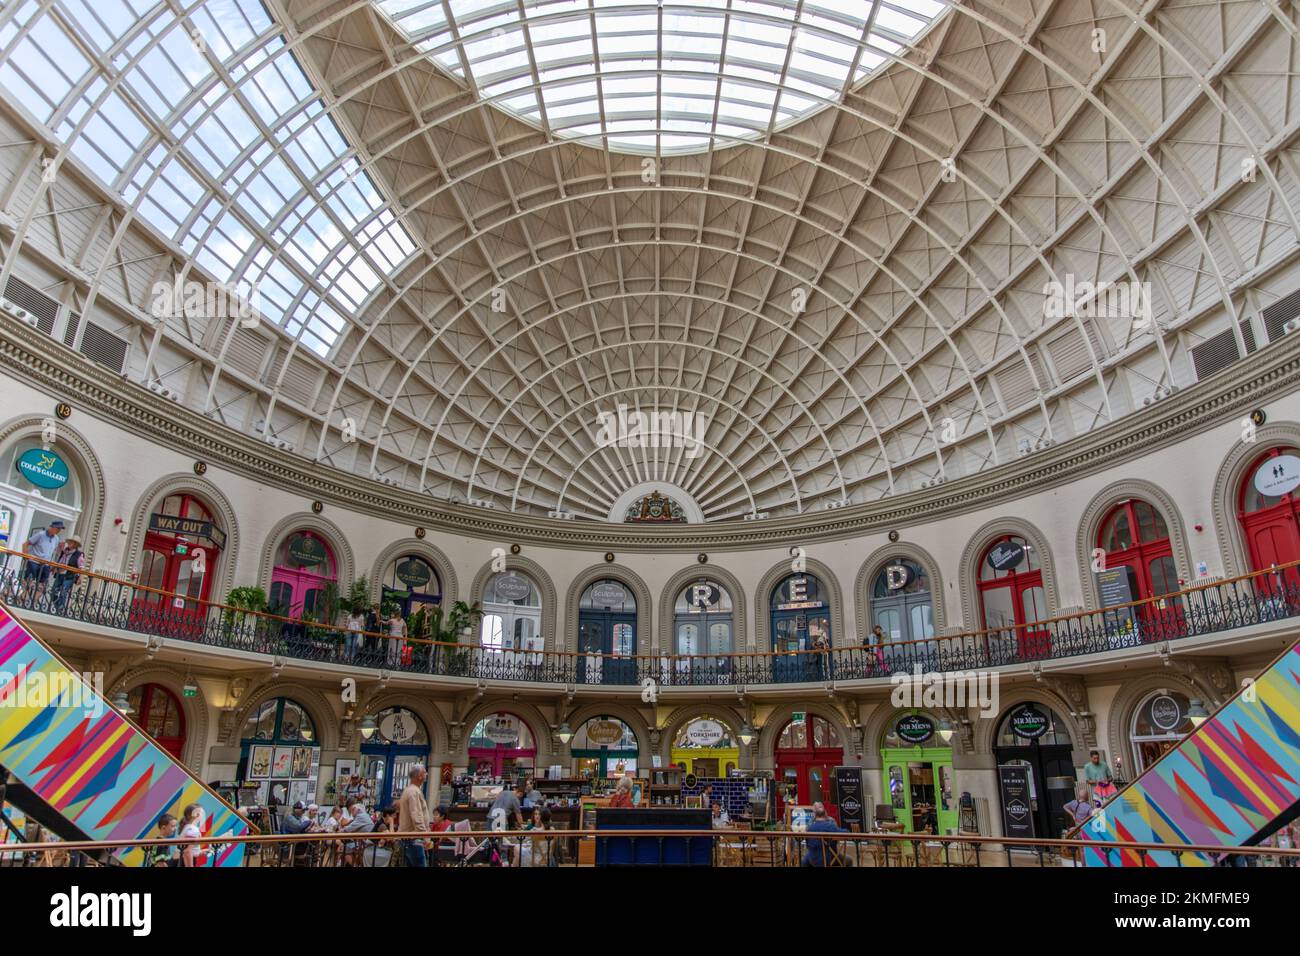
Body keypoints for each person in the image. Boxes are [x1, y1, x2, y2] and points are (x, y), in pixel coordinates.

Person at [20, 519, 63, 602]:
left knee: (42, 583)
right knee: (29, 580)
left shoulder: (56, 538)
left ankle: (34, 601)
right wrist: (25, 556)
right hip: (34, 561)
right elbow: (25, 544)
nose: (58, 531)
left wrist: (53, 564)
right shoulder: (40, 534)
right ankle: (23, 597)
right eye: (57, 528)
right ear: (52, 527)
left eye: (59, 529)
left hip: (46, 564)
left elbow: (53, 552)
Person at [397, 764, 431, 867]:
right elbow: (417, 816)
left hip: (409, 839)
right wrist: (425, 837)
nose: (426, 774)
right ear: (419, 775)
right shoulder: (413, 792)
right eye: (425, 772)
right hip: (414, 839)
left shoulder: (410, 790)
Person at [800, 802, 844, 867]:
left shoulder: (829, 821)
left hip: (826, 853)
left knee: (805, 861)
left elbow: (806, 838)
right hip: (825, 854)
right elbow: (842, 834)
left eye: (821, 807)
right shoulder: (811, 822)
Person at [51, 535, 85, 612]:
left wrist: (80, 578)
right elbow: (59, 561)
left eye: (71, 542)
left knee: (63, 591)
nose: (69, 543)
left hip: (69, 576)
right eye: (69, 541)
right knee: (53, 591)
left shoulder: (79, 555)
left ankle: (60, 609)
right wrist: (54, 568)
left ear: (75, 544)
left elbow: (81, 567)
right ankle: (57, 607)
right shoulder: (64, 552)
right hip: (60, 574)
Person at [341, 799, 373, 866]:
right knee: (350, 848)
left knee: (343, 850)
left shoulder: (360, 816)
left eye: (353, 810)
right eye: (351, 810)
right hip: (367, 842)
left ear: (357, 810)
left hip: (367, 843)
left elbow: (347, 829)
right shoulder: (364, 815)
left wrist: (340, 831)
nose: (352, 812)